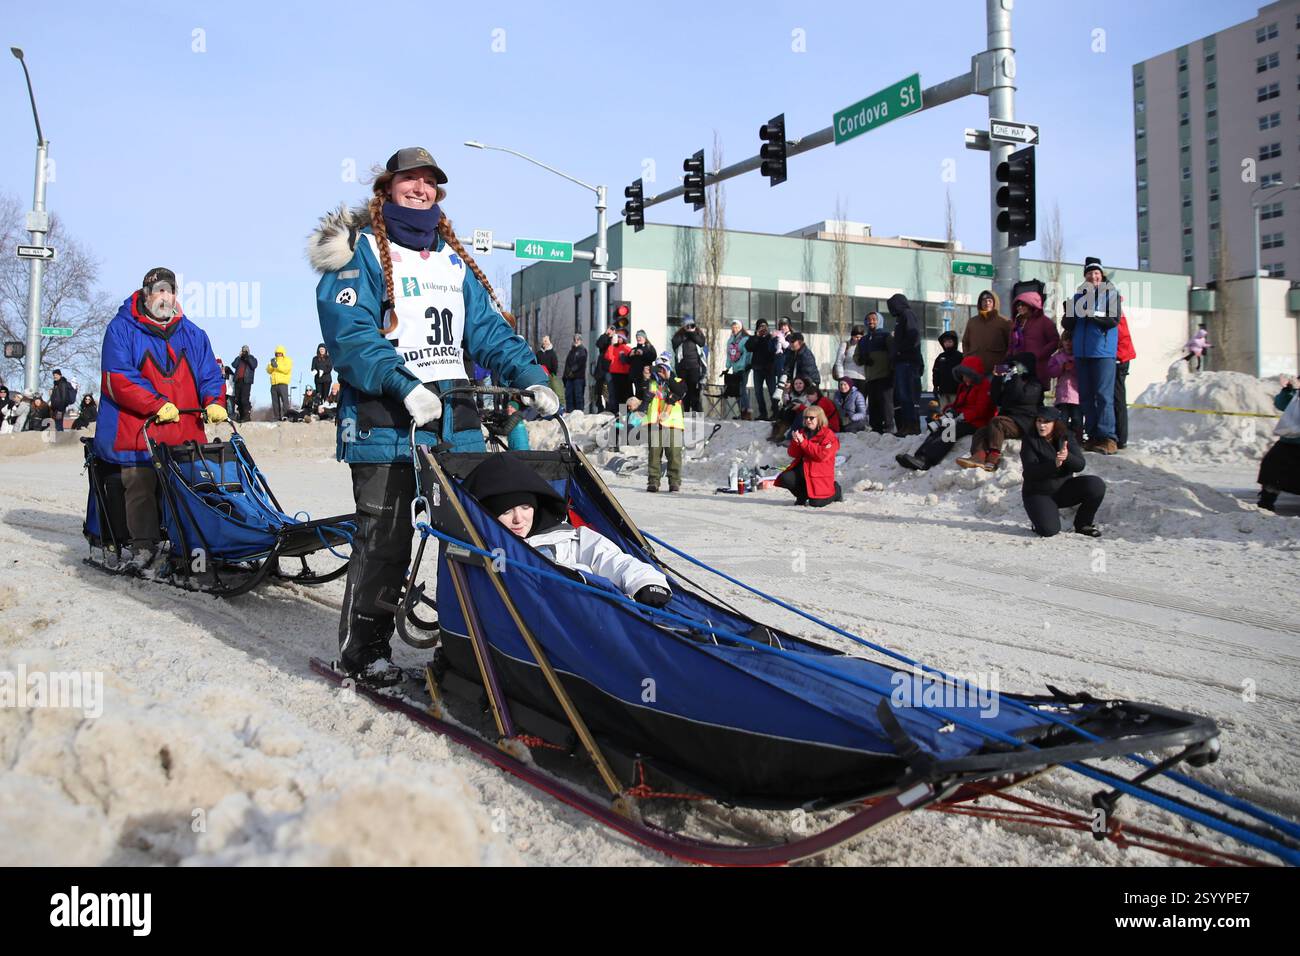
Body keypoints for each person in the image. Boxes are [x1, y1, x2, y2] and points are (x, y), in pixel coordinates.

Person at [309, 145, 556, 685]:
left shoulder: (450, 258)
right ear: (386, 189)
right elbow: (350, 337)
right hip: (386, 421)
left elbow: (486, 329)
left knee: (464, 540)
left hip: (454, 422)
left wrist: (529, 375)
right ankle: (364, 652)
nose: (419, 189)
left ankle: (461, 647)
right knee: (388, 538)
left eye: (428, 182)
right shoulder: (361, 252)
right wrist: (404, 384)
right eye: (408, 180)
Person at [94, 266, 227, 569]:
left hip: (183, 429)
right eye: (158, 290)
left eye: (169, 290)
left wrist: (215, 400)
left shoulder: (193, 334)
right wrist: (155, 404)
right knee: (140, 484)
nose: (164, 297)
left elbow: (209, 374)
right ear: (145, 294)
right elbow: (118, 378)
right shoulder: (121, 329)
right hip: (139, 429)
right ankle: (143, 546)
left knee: (189, 488)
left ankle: (189, 545)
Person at [462, 452, 672, 606]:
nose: (518, 519)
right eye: (506, 511)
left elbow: (611, 559)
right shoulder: (483, 547)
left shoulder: (566, 537)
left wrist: (646, 582)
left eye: (525, 507)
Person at [896, 356, 995, 471]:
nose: (965, 379)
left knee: (950, 430)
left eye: (967, 375)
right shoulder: (964, 386)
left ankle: (928, 459)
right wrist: (949, 410)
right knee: (937, 428)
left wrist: (962, 416)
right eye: (963, 376)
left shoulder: (984, 385)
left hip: (977, 422)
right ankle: (920, 456)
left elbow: (981, 410)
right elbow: (957, 404)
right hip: (963, 417)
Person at [1019, 407, 1104, 538]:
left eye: (1046, 422)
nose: (1041, 425)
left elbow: (1080, 465)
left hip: (1063, 489)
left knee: (1096, 485)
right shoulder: (1029, 440)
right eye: (1039, 421)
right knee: (1049, 530)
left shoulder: (1066, 436)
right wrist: (1054, 464)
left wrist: (1067, 457)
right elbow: (1030, 473)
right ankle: (1038, 522)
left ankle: (1083, 524)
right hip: (1038, 493)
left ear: (1055, 423)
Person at [1067, 257, 1121, 455]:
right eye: (1089, 273)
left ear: (1102, 275)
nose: (1093, 276)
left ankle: (1108, 437)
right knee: (1086, 396)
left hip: (1102, 353)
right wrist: (1069, 314)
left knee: (1103, 395)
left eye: (1096, 273)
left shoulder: (1111, 294)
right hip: (1081, 353)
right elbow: (1068, 325)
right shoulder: (1077, 296)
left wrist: (1091, 314)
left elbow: (1113, 320)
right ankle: (1092, 436)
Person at [956, 352, 1045, 472]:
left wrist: (1015, 375)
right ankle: (979, 456)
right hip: (1008, 420)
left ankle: (994, 457)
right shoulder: (1010, 381)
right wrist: (997, 377)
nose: (1013, 369)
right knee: (982, 431)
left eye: (1017, 366)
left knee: (997, 422)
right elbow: (996, 399)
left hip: (1025, 422)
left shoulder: (1035, 384)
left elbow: (1018, 396)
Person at [776, 405, 841, 507]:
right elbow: (792, 453)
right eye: (806, 417)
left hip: (819, 474)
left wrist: (803, 442)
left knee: (816, 503)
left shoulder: (828, 435)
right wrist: (796, 442)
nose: (808, 420)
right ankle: (802, 495)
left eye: (811, 418)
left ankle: (836, 490)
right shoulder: (802, 432)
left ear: (819, 419)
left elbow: (821, 455)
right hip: (803, 470)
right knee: (785, 478)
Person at [642, 352, 687, 493]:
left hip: (673, 422)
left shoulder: (678, 380)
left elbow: (681, 391)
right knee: (654, 454)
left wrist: (669, 378)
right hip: (655, 422)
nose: (660, 371)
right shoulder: (652, 383)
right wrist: (645, 377)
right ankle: (653, 482)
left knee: (674, 454)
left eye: (663, 367)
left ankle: (674, 481)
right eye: (658, 367)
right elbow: (642, 395)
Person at [1257, 375, 1300, 512]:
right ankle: (1266, 503)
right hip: (1290, 441)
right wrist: (1288, 389)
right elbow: (1281, 404)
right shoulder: (1296, 391)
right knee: (1271, 468)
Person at [886, 294, 923, 436]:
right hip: (902, 362)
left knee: (908, 395)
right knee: (903, 395)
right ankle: (907, 425)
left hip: (908, 362)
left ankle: (913, 425)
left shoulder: (907, 315)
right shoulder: (900, 318)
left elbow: (913, 337)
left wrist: (900, 352)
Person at [1008, 290, 1059, 389]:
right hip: (1018, 366)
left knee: (1036, 395)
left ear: (1031, 305)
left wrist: (1039, 354)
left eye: (1023, 304)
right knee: (1017, 391)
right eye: (1018, 305)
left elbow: (1055, 341)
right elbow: (1011, 343)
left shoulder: (1045, 322)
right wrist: (1009, 357)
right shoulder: (1015, 324)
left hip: (1037, 366)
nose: (1019, 307)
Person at [854, 311, 894, 433]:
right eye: (868, 319)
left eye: (874, 319)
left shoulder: (886, 336)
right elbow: (856, 357)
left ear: (880, 321)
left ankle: (888, 428)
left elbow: (893, 354)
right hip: (871, 378)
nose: (871, 321)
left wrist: (892, 370)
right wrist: (863, 359)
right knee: (873, 405)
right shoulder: (863, 340)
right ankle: (876, 429)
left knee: (886, 404)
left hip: (885, 376)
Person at [962, 289, 1011, 376]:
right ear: (980, 303)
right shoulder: (972, 322)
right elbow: (965, 342)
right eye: (984, 301)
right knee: (976, 390)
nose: (987, 303)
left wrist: (1004, 367)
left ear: (995, 303)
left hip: (997, 370)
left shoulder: (1005, 322)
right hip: (975, 369)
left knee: (994, 389)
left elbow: (1011, 346)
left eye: (990, 301)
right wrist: (967, 359)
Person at [1046, 330, 1083, 445]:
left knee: (1077, 419)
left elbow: (1083, 373)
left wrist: (1072, 367)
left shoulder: (1079, 357)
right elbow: (1051, 372)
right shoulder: (1057, 357)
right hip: (1062, 395)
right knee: (1062, 420)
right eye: (1066, 340)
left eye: (1070, 340)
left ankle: (1077, 440)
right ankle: (1061, 440)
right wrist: (1061, 367)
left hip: (1077, 395)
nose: (1068, 343)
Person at [671, 316, 707, 413]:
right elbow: (675, 343)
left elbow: (701, 342)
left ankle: (697, 413)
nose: (689, 327)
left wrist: (692, 333)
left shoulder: (698, 334)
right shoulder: (679, 335)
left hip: (694, 367)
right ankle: (685, 411)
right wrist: (685, 333)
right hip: (682, 367)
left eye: (691, 325)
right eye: (687, 325)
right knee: (683, 390)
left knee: (694, 390)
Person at [746, 319, 779, 421]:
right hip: (757, 369)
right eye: (761, 327)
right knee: (758, 392)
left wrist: (770, 336)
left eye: (765, 326)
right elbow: (748, 347)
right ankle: (763, 413)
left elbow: (774, 350)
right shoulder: (754, 338)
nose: (763, 329)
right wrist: (757, 336)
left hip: (769, 370)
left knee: (773, 392)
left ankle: (776, 413)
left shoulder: (771, 338)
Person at [1114, 311, 1137, 450]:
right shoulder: (1115, 309)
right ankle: (1120, 437)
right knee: (1117, 398)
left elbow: (1120, 335)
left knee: (1117, 398)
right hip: (1121, 356)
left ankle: (1121, 437)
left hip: (1119, 357)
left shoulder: (1112, 310)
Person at [723, 319, 752, 420]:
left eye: (736, 327)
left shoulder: (745, 339)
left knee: (741, 389)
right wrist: (727, 367)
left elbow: (747, 354)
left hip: (743, 368)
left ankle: (747, 411)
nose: (734, 329)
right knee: (736, 390)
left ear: (740, 328)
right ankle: (741, 411)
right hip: (735, 368)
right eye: (733, 327)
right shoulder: (731, 340)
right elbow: (729, 354)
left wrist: (744, 366)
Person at [769, 376, 812, 443]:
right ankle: (776, 431)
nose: (798, 385)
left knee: (788, 412)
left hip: (802, 415)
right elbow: (786, 402)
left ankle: (781, 434)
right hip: (792, 413)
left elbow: (809, 408)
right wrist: (786, 392)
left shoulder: (807, 395)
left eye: (800, 383)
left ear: (804, 384)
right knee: (782, 411)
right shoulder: (792, 393)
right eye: (796, 384)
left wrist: (799, 406)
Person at [833, 324, 868, 400]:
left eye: (860, 337)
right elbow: (839, 362)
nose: (858, 339)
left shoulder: (866, 346)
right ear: (852, 336)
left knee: (861, 401)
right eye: (856, 337)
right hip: (848, 378)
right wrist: (841, 378)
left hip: (862, 378)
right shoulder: (845, 345)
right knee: (848, 400)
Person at [931, 330, 963, 409]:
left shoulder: (960, 357)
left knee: (956, 412)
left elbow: (964, 373)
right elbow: (936, 372)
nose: (947, 343)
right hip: (943, 392)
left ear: (954, 342)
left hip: (956, 392)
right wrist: (935, 386)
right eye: (945, 342)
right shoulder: (940, 357)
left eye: (949, 341)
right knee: (944, 413)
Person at [604, 330, 633, 412]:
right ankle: (616, 413)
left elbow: (629, 361)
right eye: (618, 337)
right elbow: (608, 357)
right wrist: (611, 345)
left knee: (624, 396)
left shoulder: (627, 348)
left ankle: (623, 415)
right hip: (614, 374)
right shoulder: (613, 347)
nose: (618, 339)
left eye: (620, 337)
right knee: (615, 395)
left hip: (624, 375)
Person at [562, 334, 588, 415]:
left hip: (578, 378)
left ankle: (579, 413)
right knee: (569, 396)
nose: (576, 341)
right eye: (575, 339)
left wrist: (572, 371)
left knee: (578, 396)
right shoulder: (571, 351)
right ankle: (570, 412)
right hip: (569, 378)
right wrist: (565, 376)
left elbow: (580, 363)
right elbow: (567, 364)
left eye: (578, 339)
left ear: (581, 340)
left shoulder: (582, 350)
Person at [592, 324, 615, 412]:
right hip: (601, 370)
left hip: (610, 370)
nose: (611, 331)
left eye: (613, 330)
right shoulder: (605, 339)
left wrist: (613, 337)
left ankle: (608, 409)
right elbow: (599, 344)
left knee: (607, 391)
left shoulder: (614, 341)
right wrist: (606, 334)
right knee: (598, 391)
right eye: (610, 329)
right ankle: (600, 409)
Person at [231, 345, 257, 422]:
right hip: (238, 380)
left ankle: (246, 416)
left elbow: (253, 365)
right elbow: (234, 365)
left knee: (244, 399)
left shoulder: (252, 358)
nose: (244, 352)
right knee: (237, 399)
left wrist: (247, 357)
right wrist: (239, 356)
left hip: (246, 381)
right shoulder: (239, 359)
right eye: (243, 350)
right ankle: (242, 415)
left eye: (246, 350)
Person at [268, 345, 292, 420]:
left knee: (284, 400)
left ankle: (286, 416)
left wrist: (276, 366)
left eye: (280, 353)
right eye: (277, 353)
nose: (278, 354)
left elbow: (286, 370)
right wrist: (272, 365)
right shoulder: (274, 360)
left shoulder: (287, 360)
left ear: (283, 353)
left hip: (283, 383)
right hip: (274, 383)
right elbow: (268, 370)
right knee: (275, 402)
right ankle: (277, 416)